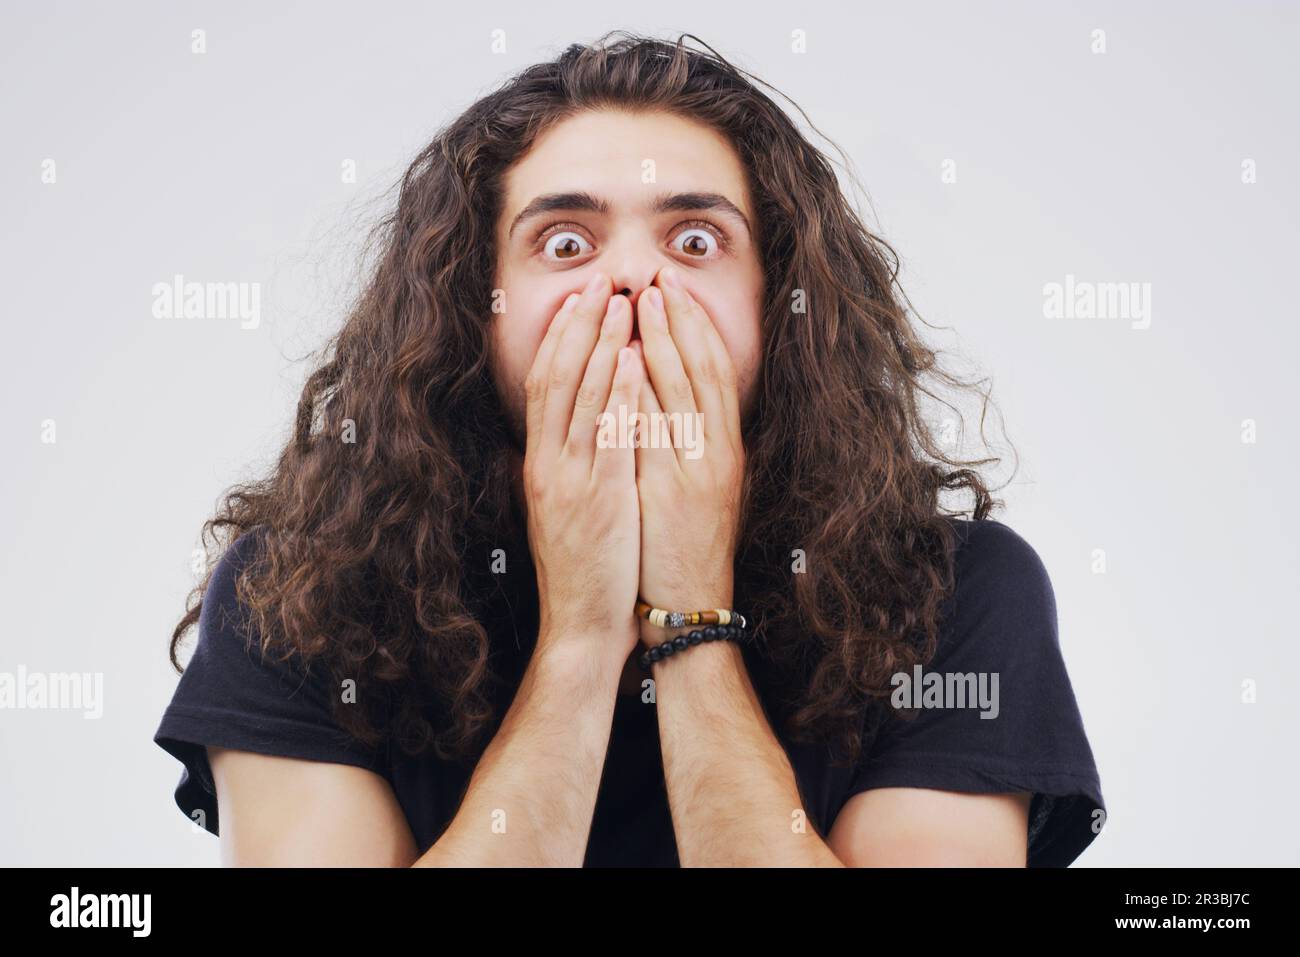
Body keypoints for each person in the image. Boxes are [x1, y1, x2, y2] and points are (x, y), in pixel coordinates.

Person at [154, 32, 1105, 867]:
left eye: (695, 239)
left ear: (781, 309)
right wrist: (582, 635)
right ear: (470, 313)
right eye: (565, 243)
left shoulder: (957, 595)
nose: (633, 278)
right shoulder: (299, 594)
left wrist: (688, 611)